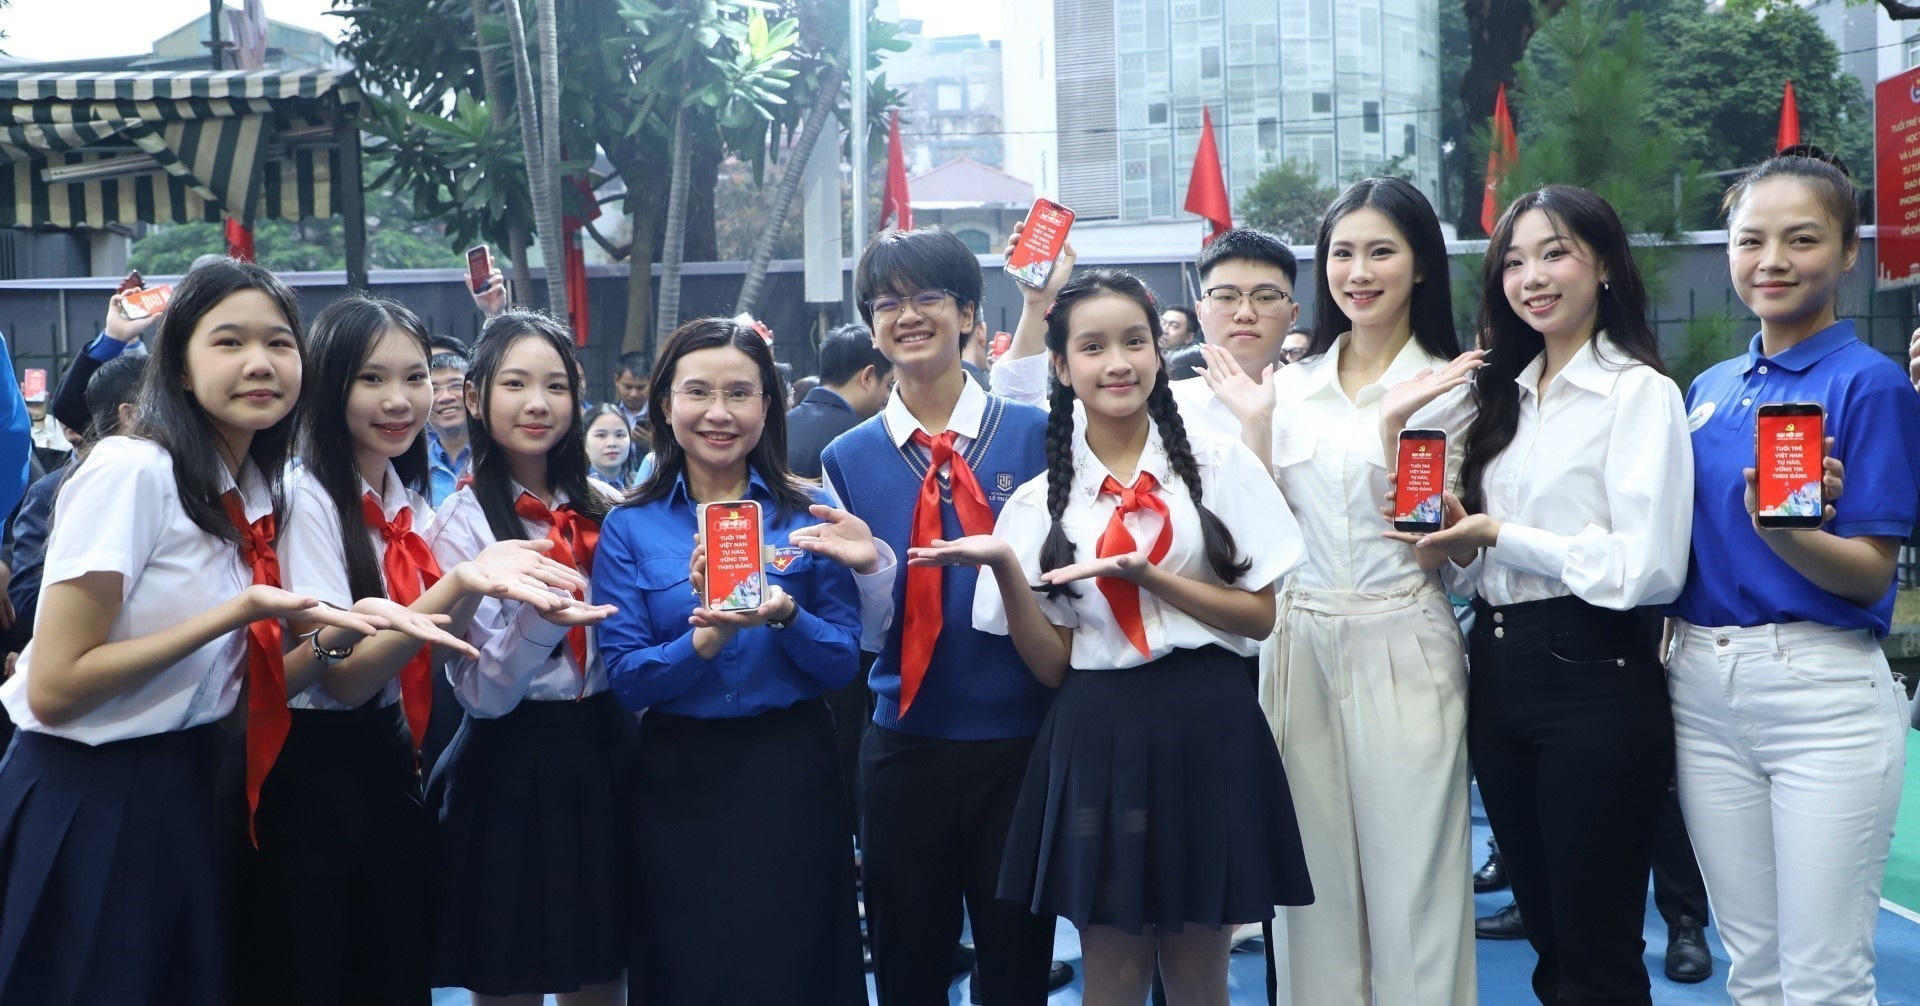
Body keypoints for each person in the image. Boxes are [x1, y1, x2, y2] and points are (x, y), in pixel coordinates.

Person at [0, 260, 402, 1004]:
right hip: (90, 795)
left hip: (188, 791)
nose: (260, 362)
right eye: (229, 341)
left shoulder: (249, 496)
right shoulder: (133, 471)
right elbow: (54, 687)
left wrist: (342, 634)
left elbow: (231, 696)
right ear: (180, 368)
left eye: (279, 343)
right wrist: (234, 613)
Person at [910, 268, 1311, 1006]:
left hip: (1210, 723)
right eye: (1092, 347)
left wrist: (1150, 577)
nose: (1118, 362)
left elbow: (1259, 616)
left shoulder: (1220, 465)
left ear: (1158, 352)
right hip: (1098, 731)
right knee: (1113, 972)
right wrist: (1005, 568)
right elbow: (1052, 667)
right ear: (1062, 367)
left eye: (1134, 341)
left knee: (1199, 973)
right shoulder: (1040, 501)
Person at [1383, 184, 1694, 1005]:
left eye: (1555, 254)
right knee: (1550, 939)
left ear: (1605, 266)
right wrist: (1458, 541)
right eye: (1514, 261)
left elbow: (1650, 568)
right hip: (1495, 669)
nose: (1532, 278)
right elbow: (1477, 570)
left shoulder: (1638, 392)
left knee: (1596, 949)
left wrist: (1497, 532)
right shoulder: (1503, 397)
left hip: (1596, 673)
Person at [1200, 176, 1478, 1005]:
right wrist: (1254, 425)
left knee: (1415, 892)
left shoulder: (1456, 384)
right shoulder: (1289, 388)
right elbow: (1252, 542)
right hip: (1300, 645)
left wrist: (1395, 428)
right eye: (1342, 253)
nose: (1358, 272)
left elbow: (1431, 546)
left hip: (1405, 637)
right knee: (1311, 898)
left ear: (1421, 265)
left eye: (1381, 251)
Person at [1671, 149, 1919, 1006]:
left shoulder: (1871, 385)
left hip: (1820, 694)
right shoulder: (1709, 387)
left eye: (1802, 239)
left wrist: (1784, 531)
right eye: (1751, 240)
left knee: (1824, 980)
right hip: (1701, 689)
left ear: (1848, 252)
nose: (1771, 260)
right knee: (1756, 971)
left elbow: (1869, 577)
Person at [815, 226, 1061, 1005]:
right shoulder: (846, 458)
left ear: (969, 314)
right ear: (871, 326)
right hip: (903, 744)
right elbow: (864, 631)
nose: (908, 316)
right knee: (908, 968)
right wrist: (870, 572)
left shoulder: (1037, 435)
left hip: (1021, 741)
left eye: (928, 297)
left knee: (1017, 969)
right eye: (887, 304)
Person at [598, 317, 876, 1005]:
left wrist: (785, 615)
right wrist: (706, 639)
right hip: (678, 774)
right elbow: (627, 677)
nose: (718, 413)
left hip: (791, 767)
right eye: (698, 392)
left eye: (739, 393)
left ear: (767, 406)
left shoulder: (812, 512)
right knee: (688, 966)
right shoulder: (629, 525)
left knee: (798, 964)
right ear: (666, 405)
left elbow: (842, 663)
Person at [423, 310, 627, 1006]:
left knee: (603, 973)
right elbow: (482, 694)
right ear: (475, 397)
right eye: (515, 384)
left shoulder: (608, 506)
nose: (538, 403)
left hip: (606, 751)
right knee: (509, 976)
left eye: (556, 386)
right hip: (510, 762)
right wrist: (542, 623)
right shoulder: (458, 525)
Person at [787, 323, 893, 480]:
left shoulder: (779, 427)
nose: (887, 395)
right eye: (888, 384)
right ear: (867, 377)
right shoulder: (865, 438)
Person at [427, 351, 473, 506]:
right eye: (434, 389)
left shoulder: (502, 456)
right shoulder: (412, 469)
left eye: (456, 386)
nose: (445, 397)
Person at [584, 403, 640, 489]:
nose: (612, 443)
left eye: (620, 435)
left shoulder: (642, 484)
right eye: (601, 435)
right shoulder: (573, 488)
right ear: (584, 442)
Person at [611, 350, 651, 430]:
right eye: (628, 387)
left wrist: (654, 438)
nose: (634, 394)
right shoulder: (607, 415)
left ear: (651, 382)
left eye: (640, 388)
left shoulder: (662, 415)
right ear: (616, 380)